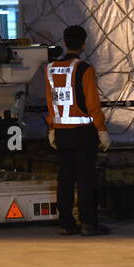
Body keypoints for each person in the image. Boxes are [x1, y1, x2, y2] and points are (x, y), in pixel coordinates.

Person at [44, 24, 111, 236]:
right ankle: (88, 223)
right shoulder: (84, 69)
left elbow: (51, 102)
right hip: (83, 132)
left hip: (62, 132)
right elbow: (92, 103)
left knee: (65, 178)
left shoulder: (51, 68)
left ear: (64, 43)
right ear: (83, 44)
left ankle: (65, 223)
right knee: (85, 179)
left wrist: (52, 128)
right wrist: (102, 130)